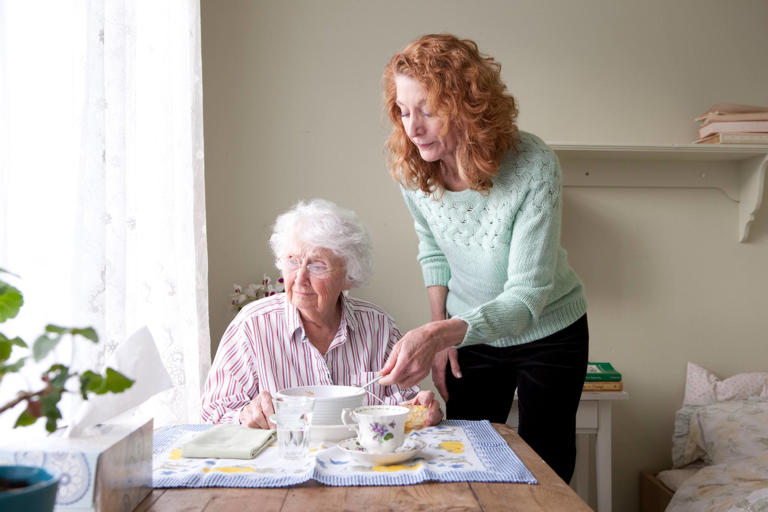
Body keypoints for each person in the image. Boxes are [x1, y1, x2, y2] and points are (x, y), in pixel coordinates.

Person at [377, 34, 589, 482]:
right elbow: (432, 247)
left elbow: (527, 298)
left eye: (428, 110)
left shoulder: (533, 164)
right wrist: (443, 335)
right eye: (403, 109)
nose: (412, 128)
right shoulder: (412, 170)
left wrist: (438, 334)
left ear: (467, 105)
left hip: (549, 331)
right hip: (467, 332)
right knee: (468, 459)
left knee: (545, 470)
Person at [201, 198, 442, 429]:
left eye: (317, 266)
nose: (300, 279)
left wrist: (420, 409)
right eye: (292, 261)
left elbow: (401, 406)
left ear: (349, 276)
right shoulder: (251, 326)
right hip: (285, 464)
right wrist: (245, 415)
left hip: (360, 465)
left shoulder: (378, 326)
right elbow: (212, 413)